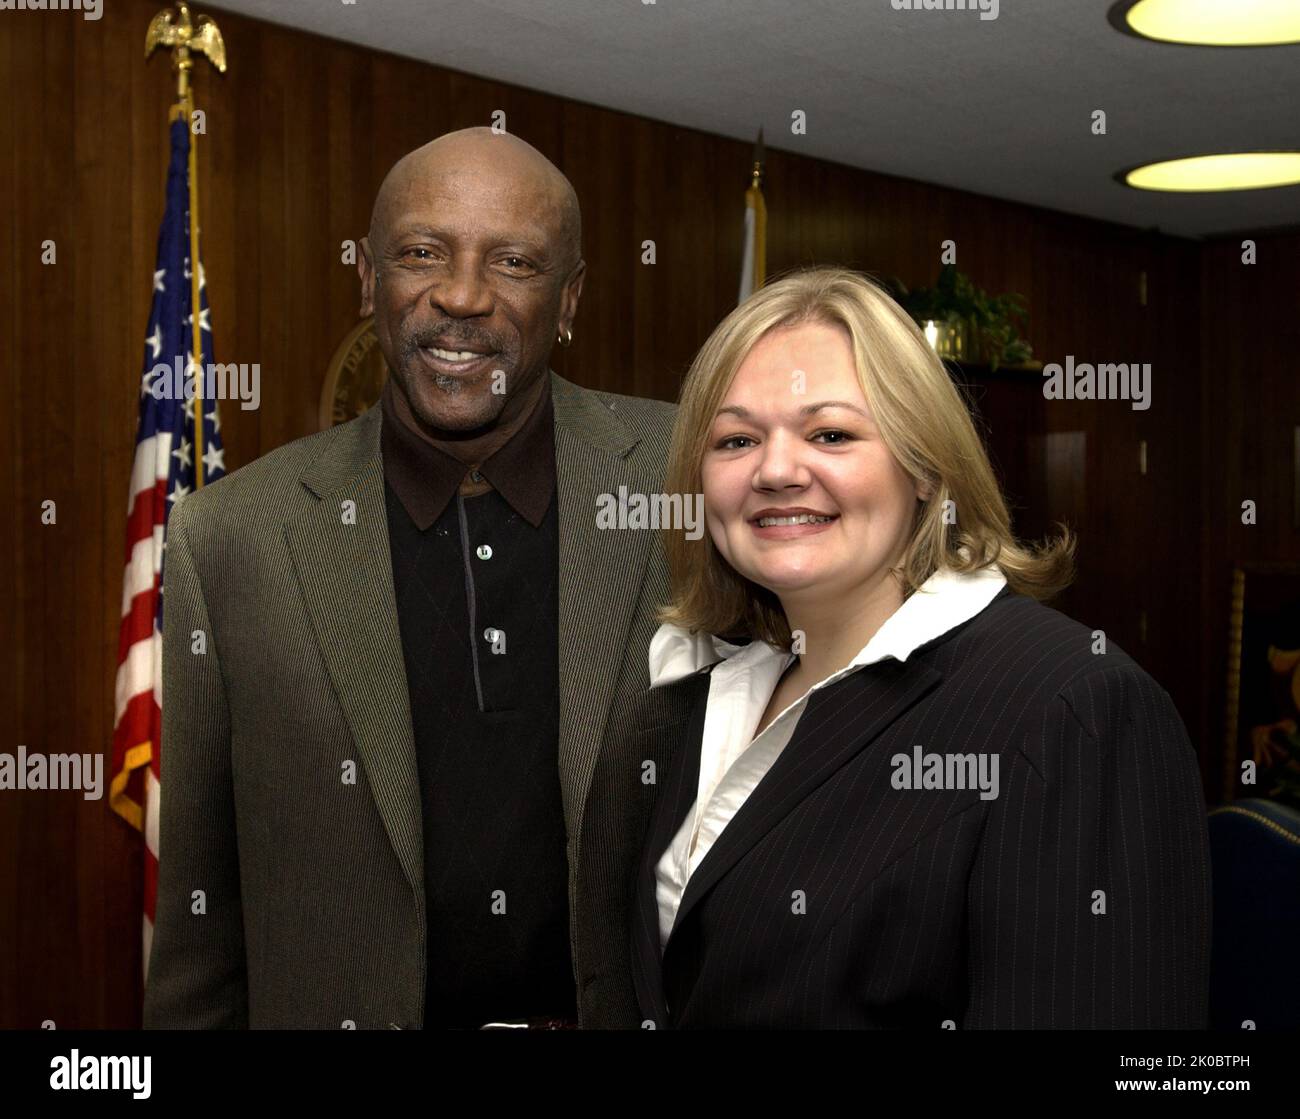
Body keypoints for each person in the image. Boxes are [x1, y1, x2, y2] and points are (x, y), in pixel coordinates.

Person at [143, 128, 690, 1029]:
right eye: (422, 252)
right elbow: (202, 928)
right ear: (368, 278)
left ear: (568, 299)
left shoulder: (688, 480)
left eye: (514, 261)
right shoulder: (231, 536)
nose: (461, 294)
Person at [630, 266, 1211, 1029]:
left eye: (830, 433)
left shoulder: (1076, 708)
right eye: (737, 439)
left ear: (927, 467)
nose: (775, 470)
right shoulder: (703, 687)